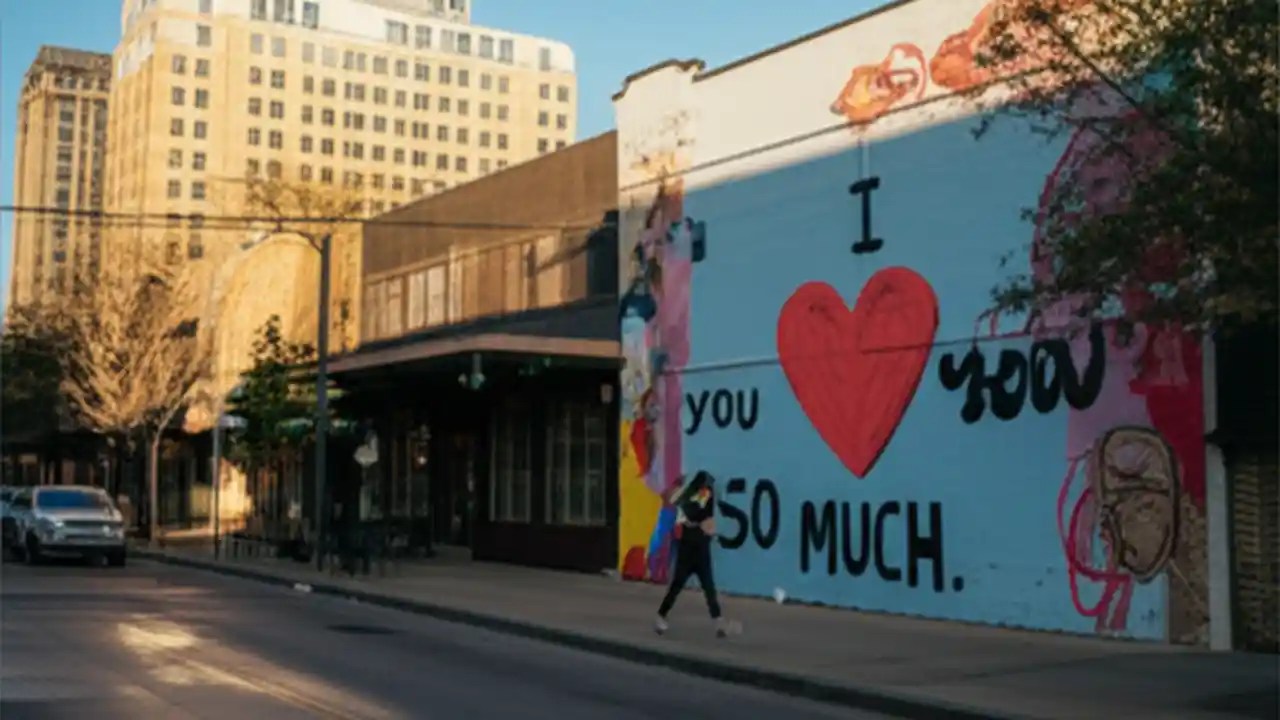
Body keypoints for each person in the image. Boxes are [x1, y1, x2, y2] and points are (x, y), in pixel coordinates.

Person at [654, 470, 726, 638]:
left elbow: (705, 517)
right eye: (705, 487)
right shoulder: (687, 500)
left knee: (709, 587)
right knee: (677, 585)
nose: (707, 491)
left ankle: (718, 622)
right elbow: (690, 512)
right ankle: (661, 616)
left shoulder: (703, 500)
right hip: (687, 549)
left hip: (701, 549)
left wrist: (700, 522)